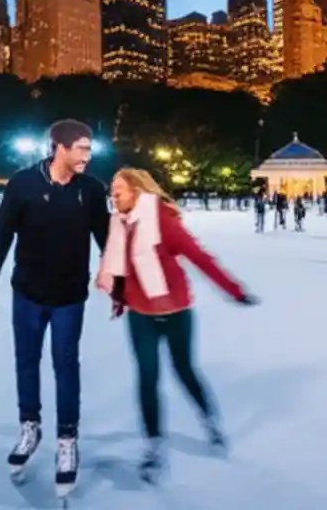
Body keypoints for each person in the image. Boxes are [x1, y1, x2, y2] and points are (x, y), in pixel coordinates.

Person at [0, 119, 110, 496]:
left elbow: (107, 240)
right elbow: (0, 237)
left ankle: (67, 439)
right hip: (29, 293)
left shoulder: (92, 190)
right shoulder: (24, 184)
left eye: (89, 148)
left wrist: (120, 286)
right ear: (59, 148)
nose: (88, 154)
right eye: (81, 147)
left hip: (69, 297)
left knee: (66, 364)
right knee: (26, 361)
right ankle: (29, 427)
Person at [96, 168, 257, 483]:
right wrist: (120, 297)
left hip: (176, 311)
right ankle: (153, 443)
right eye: (112, 191)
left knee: (184, 369)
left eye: (119, 190)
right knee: (147, 377)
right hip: (141, 313)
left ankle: (209, 419)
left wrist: (234, 290)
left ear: (137, 191)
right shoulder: (118, 225)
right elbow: (120, 269)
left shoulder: (163, 222)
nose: (113, 196)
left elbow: (200, 258)